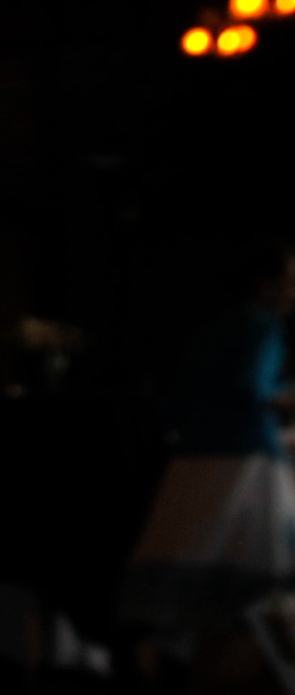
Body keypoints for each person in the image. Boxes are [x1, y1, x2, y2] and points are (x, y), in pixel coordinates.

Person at [120, 239, 295, 648]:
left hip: (193, 462)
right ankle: (255, 690)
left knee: (194, 574)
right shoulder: (262, 326)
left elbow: (180, 401)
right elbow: (253, 389)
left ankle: (199, 685)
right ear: (268, 283)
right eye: (291, 281)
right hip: (246, 459)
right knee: (259, 583)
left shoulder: (208, 333)